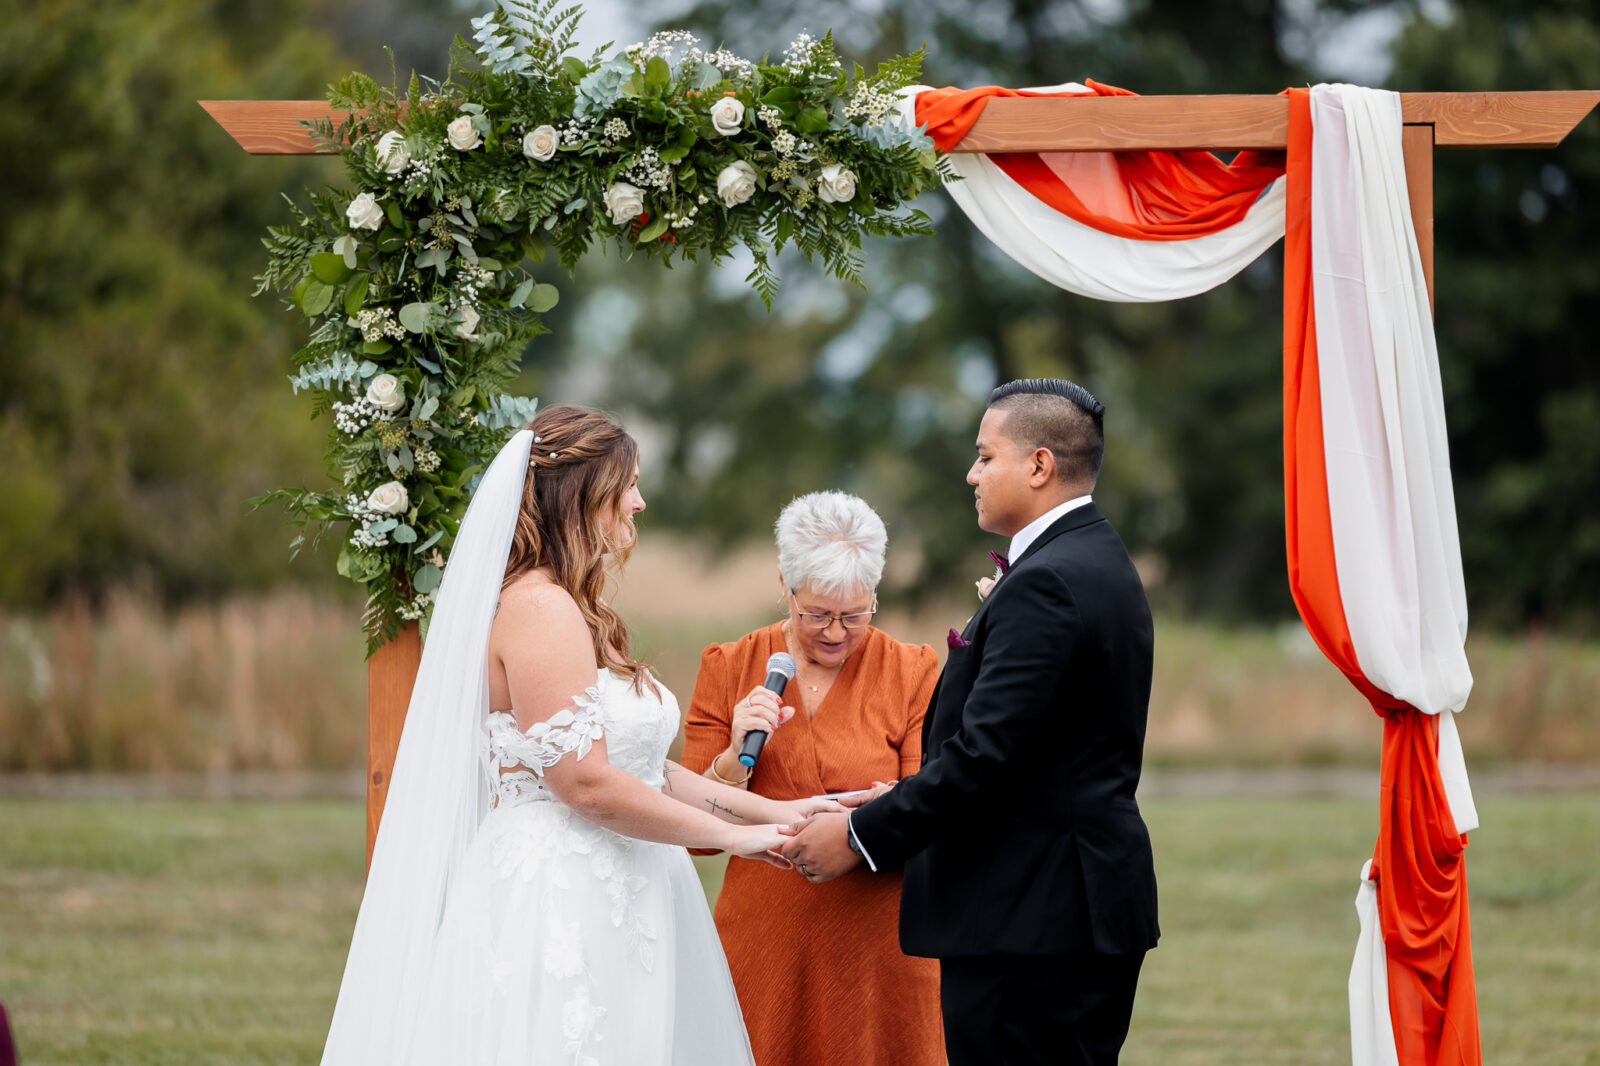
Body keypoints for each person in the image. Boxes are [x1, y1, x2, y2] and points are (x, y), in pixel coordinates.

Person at [319, 405, 835, 1066]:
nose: (639, 503)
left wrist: (782, 813)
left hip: (622, 882)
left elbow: (641, 769)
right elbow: (584, 783)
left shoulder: (572, 607)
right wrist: (736, 839)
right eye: (626, 486)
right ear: (578, 496)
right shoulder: (538, 608)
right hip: (563, 892)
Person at [781, 379, 1160, 1066]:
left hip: (1032, 923)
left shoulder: (1049, 582)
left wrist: (861, 835)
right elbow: (1034, 754)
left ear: (1039, 465)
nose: (972, 473)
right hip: (1065, 909)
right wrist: (896, 799)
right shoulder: (1093, 559)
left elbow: (985, 759)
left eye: (986, 456)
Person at [680, 491, 944, 1066]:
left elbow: (930, 806)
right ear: (785, 585)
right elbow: (697, 835)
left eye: (855, 614)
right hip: (764, 945)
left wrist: (861, 827)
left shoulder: (913, 670)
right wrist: (733, 756)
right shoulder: (728, 666)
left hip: (880, 949)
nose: (834, 632)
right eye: (816, 614)